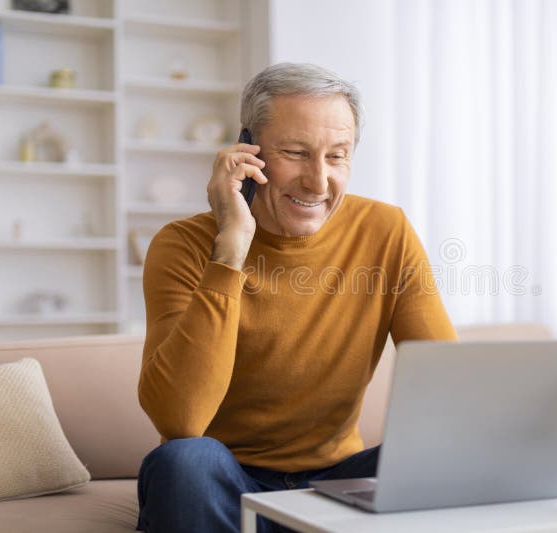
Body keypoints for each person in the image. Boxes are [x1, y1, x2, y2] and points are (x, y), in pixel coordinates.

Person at [135, 62, 456, 533]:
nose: (318, 182)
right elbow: (180, 419)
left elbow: (447, 382)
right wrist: (230, 247)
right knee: (184, 461)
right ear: (248, 153)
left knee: (441, 458)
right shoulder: (181, 244)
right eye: (296, 152)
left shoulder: (386, 231)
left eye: (337, 156)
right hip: (227, 482)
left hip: (336, 485)